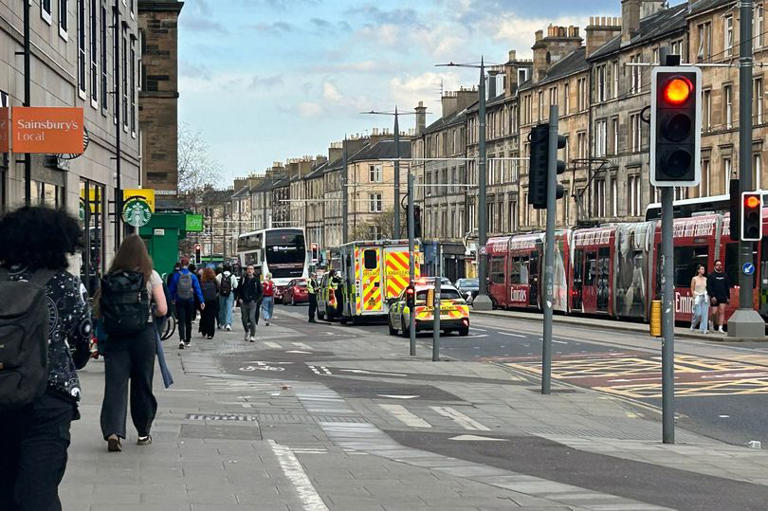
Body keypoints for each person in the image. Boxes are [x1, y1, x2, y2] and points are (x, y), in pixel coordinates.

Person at [0, 206, 92, 511]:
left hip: (2, 392)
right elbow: (82, 344)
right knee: (38, 491)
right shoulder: (66, 284)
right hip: (49, 399)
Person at [97, 234, 167, 452]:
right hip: (143, 336)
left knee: (115, 385)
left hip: (116, 336)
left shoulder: (111, 276)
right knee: (142, 383)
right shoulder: (150, 275)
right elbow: (163, 308)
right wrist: (149, 312)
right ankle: (143, 431)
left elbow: (99, 308)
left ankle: (113, 431)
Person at [168, 257, 205, 349]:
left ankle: (181, 339)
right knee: (188, 321)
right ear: (188, 265)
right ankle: (188, 340)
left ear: (181, 264)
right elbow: (197, 289)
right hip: (190, 300)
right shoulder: (192, 276)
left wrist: (171, 298)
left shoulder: (176, 275)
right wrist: (201, 301)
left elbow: (171, 289)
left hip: (179, 300)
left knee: (181, 321)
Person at [237, 264, 262, 342]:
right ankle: (247, 331)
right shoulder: (243, 279)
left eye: (251, 269)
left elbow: (260, 292)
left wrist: (256, 300)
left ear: (253, 271)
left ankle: (252, 335)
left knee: (251, 318)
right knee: (244, 319)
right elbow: (238, 289)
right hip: (243, 302)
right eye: (248, 269)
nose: (249, 270)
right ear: (246, 270)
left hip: (252, 302)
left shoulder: (256, 280)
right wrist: (239, 298)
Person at [706, 259, 731, 334]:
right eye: (717, 265)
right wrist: (712, 296)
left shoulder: (725, 275)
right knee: (714, 312)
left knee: (722, 311)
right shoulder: (711, 275)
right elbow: (709, 287)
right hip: (714, 297)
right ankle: (711, 322)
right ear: (714, 266)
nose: (719, 266)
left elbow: (727, 287)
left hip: (723, 296)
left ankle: (720, 327)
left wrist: (728, 297)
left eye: (720, 265)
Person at [216, 264, 238, 330]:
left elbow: (215, 282)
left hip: (221, 293)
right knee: (229, 308)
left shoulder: (219, 275)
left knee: (222, 308)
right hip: (230, 293)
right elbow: (236, 286)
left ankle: (222, 323)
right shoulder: (233, 276)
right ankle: (228, 324)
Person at [199, 268, 219, 339]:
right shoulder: (214, 281)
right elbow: (218, 289)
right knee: (211, 317)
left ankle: (204, 330)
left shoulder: (202, 281)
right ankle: (210, 333)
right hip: (213, 300)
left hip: (204, 301)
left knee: (204, 316)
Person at [690, 264, 709, 334]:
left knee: (705, 313)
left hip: (704, 297)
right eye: (701, 269)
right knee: (698, 313)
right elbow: (692, 288)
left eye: (703, 269)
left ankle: (703, 329)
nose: (703, 270)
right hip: (697, 297)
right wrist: (694, 295)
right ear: (698, 270)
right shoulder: (694, 278)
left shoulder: (706, 279)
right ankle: (693, 325)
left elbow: (707, 288)